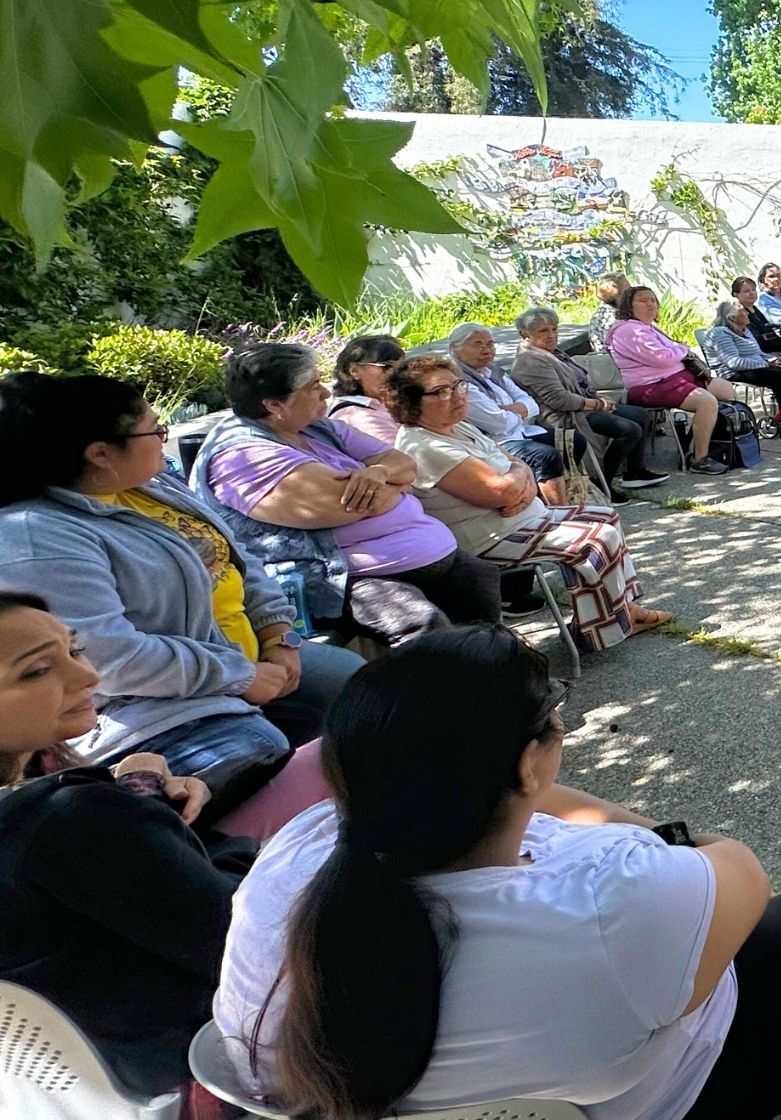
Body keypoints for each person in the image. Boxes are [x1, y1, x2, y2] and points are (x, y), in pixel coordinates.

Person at [212, 627, 781, 1120]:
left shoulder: (296, 854)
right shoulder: (612, 904)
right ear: (532, 761)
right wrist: (660, 835)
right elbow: (737, 871)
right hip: (694, 1094)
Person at [0, 372, 363, 798]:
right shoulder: (37, 537)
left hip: (249, 656)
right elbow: (109, 660)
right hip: (162, 701)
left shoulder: (150, 487)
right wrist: (239, 675)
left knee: (367, 692)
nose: (163, 439)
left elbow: (238, 559)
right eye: (155, 430)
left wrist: (277, 634)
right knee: (273, 759)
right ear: (100, 453)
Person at [0, 593, 254, 1098]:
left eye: (75, 651)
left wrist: (139, 785)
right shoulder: (69, 821)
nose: (87, 679)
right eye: (35, 672)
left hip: (86, 1076)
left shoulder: (56, 812)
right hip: (208, 1063)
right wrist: (249, 850)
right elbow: (257, 949)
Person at [190, 344, 503, 647]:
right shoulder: (242, 456)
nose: (326, 392)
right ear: (274, 404)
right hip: (337, 578)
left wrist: (378, 473)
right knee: (422, 621)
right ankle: (459, 695)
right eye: (313, 386)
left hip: (416, 559)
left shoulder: (315, 427)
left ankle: (505, 682)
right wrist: (392, 487)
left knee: (479, 579)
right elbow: (353, 505)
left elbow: (404, 464)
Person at [386, 358, 674, 653]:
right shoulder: (425, 445)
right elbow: (500, 492)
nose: (459, 395)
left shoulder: (456, 428)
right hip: (491, 536)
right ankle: (604, 630)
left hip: (520, 518)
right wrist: (519, 484)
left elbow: (514, 462)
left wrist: (519, 480)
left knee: (607, 516)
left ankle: (618, 611)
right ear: (411, 403)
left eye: (460, 385)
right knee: (598, 538)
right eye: (442, 391)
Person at [507, 307, 669, 503]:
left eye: (554, 329)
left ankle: (634, 473)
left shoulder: (553, 353)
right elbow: (560, 400)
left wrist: (599, 400)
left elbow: (580, 383)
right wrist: (597, 404)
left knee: (639, 415)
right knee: (629, 429)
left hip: (581, 406)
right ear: (525, 335)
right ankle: (601, 482)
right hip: (563, 415)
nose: (551, 335)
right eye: (543, 331)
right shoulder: (530, 361)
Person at [608, 285, 739, 476]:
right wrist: (683, 349)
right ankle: (699, 459)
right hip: (650, 385)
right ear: (629, 305)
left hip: (676, 378)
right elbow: (661, 357)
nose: (650, 304)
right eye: (643, 300)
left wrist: (678, 349)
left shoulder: (647, 327)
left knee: (727, 390)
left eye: (653, 300)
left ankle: (694, 444)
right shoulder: (628, 330)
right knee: (706, 401)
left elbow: (669, 354)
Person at [446, 323, 569, 501]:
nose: (486, 349)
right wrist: (518, 411)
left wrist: (509, 410)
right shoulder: (460, 381)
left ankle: (569, 494)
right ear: (454, 349)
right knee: (546, 456)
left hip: (521, 431)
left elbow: (532, 404)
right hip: (495, 442)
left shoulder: (493, 372)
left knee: (573, 441)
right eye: (477, 344)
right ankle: (555, 508)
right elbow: (498, 424)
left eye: (490, 344)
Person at [698, 298, 781, 436]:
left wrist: (773, 360)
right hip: (733, 372)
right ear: (733, 317)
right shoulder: (720, 334)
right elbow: (734, 363)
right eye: (743, 310)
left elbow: (758, 353)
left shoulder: (745, 331)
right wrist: (767, 364)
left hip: (755, 367)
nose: (747, 313)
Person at [326, 334, 405, 444]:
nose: (397, 374)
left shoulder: (382, 403)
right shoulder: (359, 416)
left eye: (402, 367)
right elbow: (402, 456)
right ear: (354, 371)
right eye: (387, 367)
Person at [589, 274, 629, 352]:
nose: (633, 292)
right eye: (628, 290)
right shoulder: (612, 317)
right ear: (617, 296)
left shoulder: (618, 311)